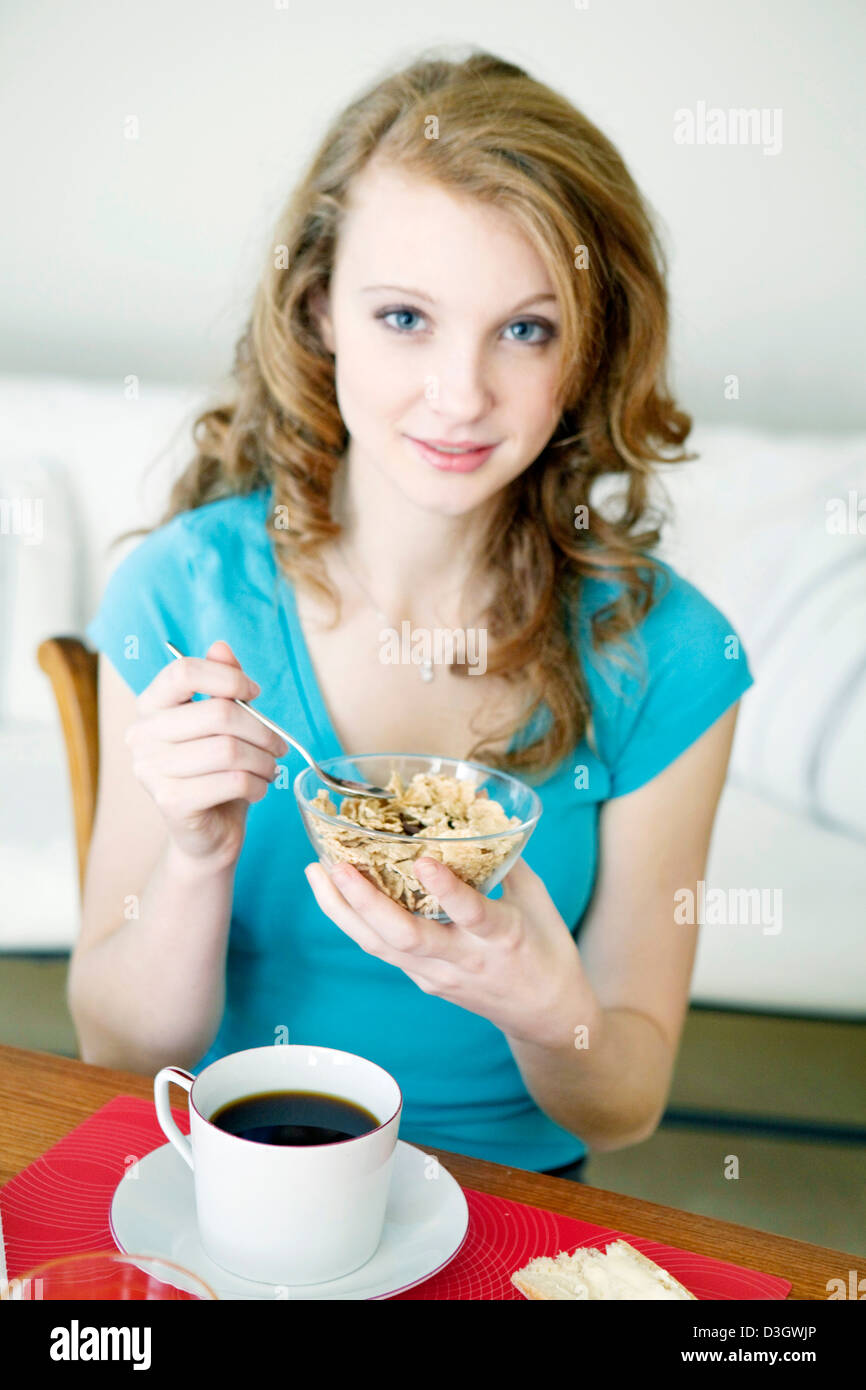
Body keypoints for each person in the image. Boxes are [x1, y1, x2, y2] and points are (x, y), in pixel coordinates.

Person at [69, 48, 754, 1182]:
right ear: (318, 309)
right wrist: (194, 856)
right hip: (236, 1187)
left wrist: (542, 1002)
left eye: (524, 329)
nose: (459, 394)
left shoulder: (668, 653)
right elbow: (118, 1049)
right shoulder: (181, 595)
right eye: (403, 317)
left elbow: (623, 1103)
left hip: (509, 1208)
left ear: (590, 348)